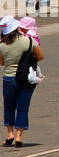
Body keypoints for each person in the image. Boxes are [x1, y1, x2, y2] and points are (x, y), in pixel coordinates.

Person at [1, 15, 44, 148]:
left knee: (9, 106)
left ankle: (10, 135)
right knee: (23, 107)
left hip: (9, 78)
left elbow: (2, 63)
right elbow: (41, 56)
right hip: (26, 78)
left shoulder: (2, 45)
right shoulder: (29, 41)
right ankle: (19, 136)